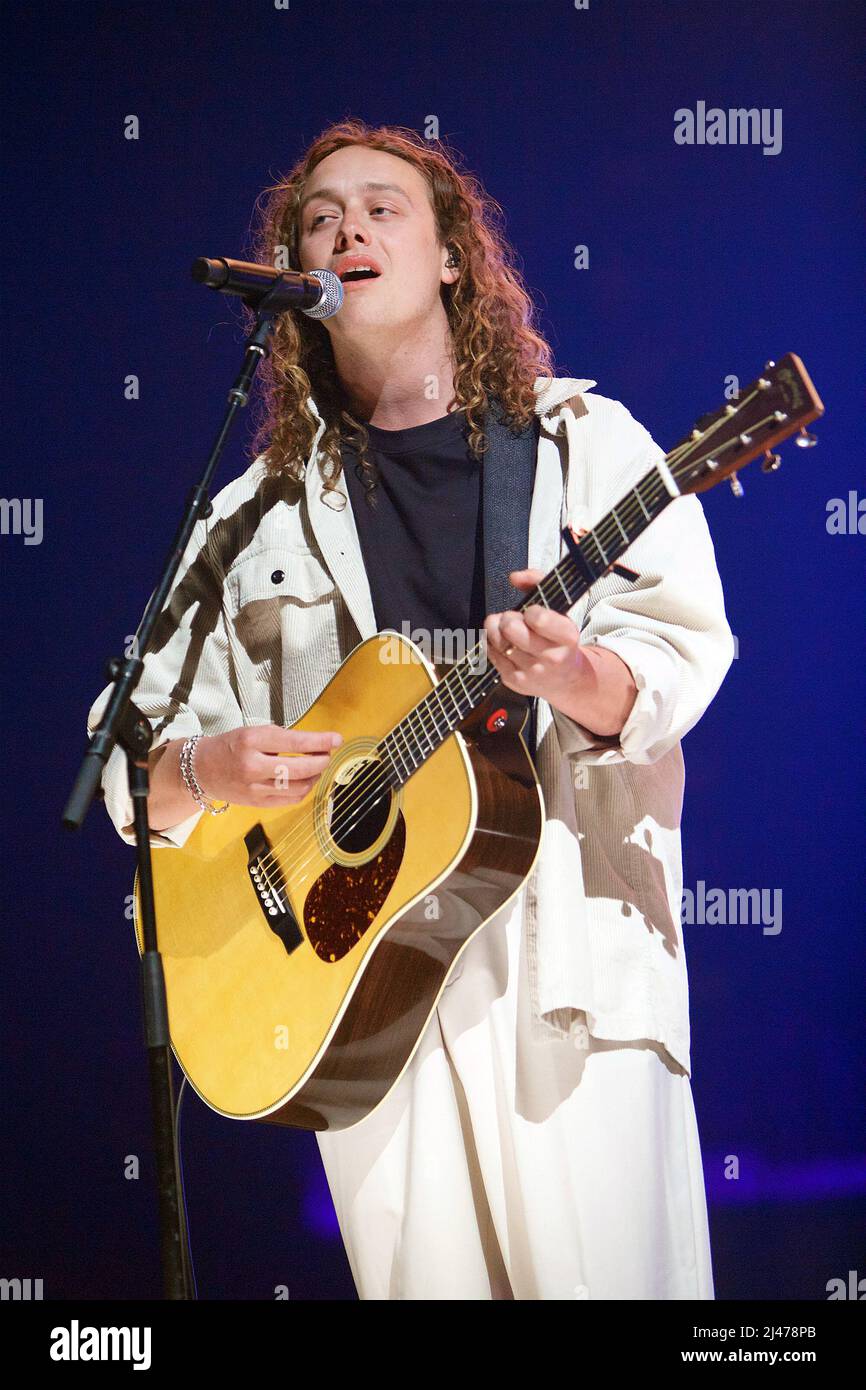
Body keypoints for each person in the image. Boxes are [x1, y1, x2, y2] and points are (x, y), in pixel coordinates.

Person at [87, 119, 735, 1300]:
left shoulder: (584, 446)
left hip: (566, 971)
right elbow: (123, 745)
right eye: (318, 218)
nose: (345, 228)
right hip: (360, 997)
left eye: (381, 207)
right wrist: (208, 767)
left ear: (450, 258)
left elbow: (675, 650)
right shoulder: (253, 513)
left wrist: (572, 674)